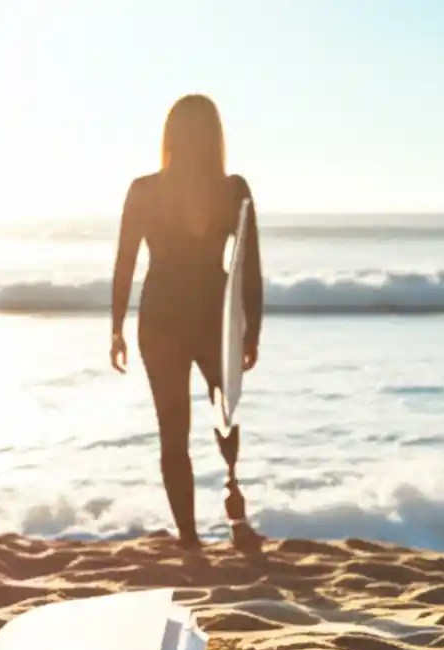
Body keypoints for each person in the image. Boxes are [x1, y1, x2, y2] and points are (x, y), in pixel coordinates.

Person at [109, 94, 265, 554]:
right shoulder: (233, 188)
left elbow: (124, 263)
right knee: (226, 413)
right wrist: (251, 329)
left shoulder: (145, 190)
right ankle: (234, 511)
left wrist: (116, 326)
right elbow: (249, 268)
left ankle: (191, 541)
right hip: (213, 322)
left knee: (173, 433)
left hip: (159, 320)